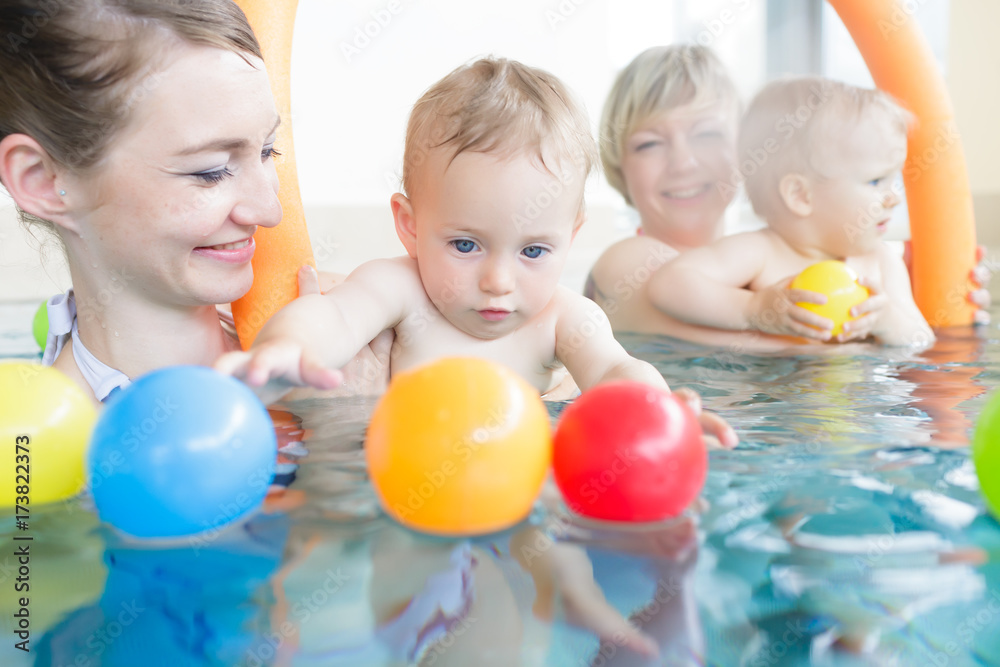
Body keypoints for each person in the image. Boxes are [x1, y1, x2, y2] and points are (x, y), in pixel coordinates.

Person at [216, 56, 737, 447]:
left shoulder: (562, 318)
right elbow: (330, 317)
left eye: (534, 251)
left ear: (571, 237)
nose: (498, 281)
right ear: (410, 226)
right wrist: (284, 352)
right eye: (465, 244)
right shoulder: (401, 288)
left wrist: (660, 410)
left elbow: (615, 370)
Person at [0, 0, 388, 405]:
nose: (270, 213)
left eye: (268, 151)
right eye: (210, 171)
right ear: (42, 181)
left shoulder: (351, 317)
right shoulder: (37, 451)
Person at [586, 46, 990, 344]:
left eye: (706, 134)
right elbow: (778, 348)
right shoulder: (629, 265)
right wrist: (857, 323)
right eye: (649, 145)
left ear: (747, 149)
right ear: (619, 164)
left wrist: (932, 297)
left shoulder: (799, 248)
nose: (684, 162)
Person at [650, 76, 934, 348]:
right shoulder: (760, 252)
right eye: (875, 181)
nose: (894, 198)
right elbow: (668, 284)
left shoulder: (881, 262)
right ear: (800, 195)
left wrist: (886, 322)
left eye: (893, 180)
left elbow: (922, 339)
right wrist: (753, 309)